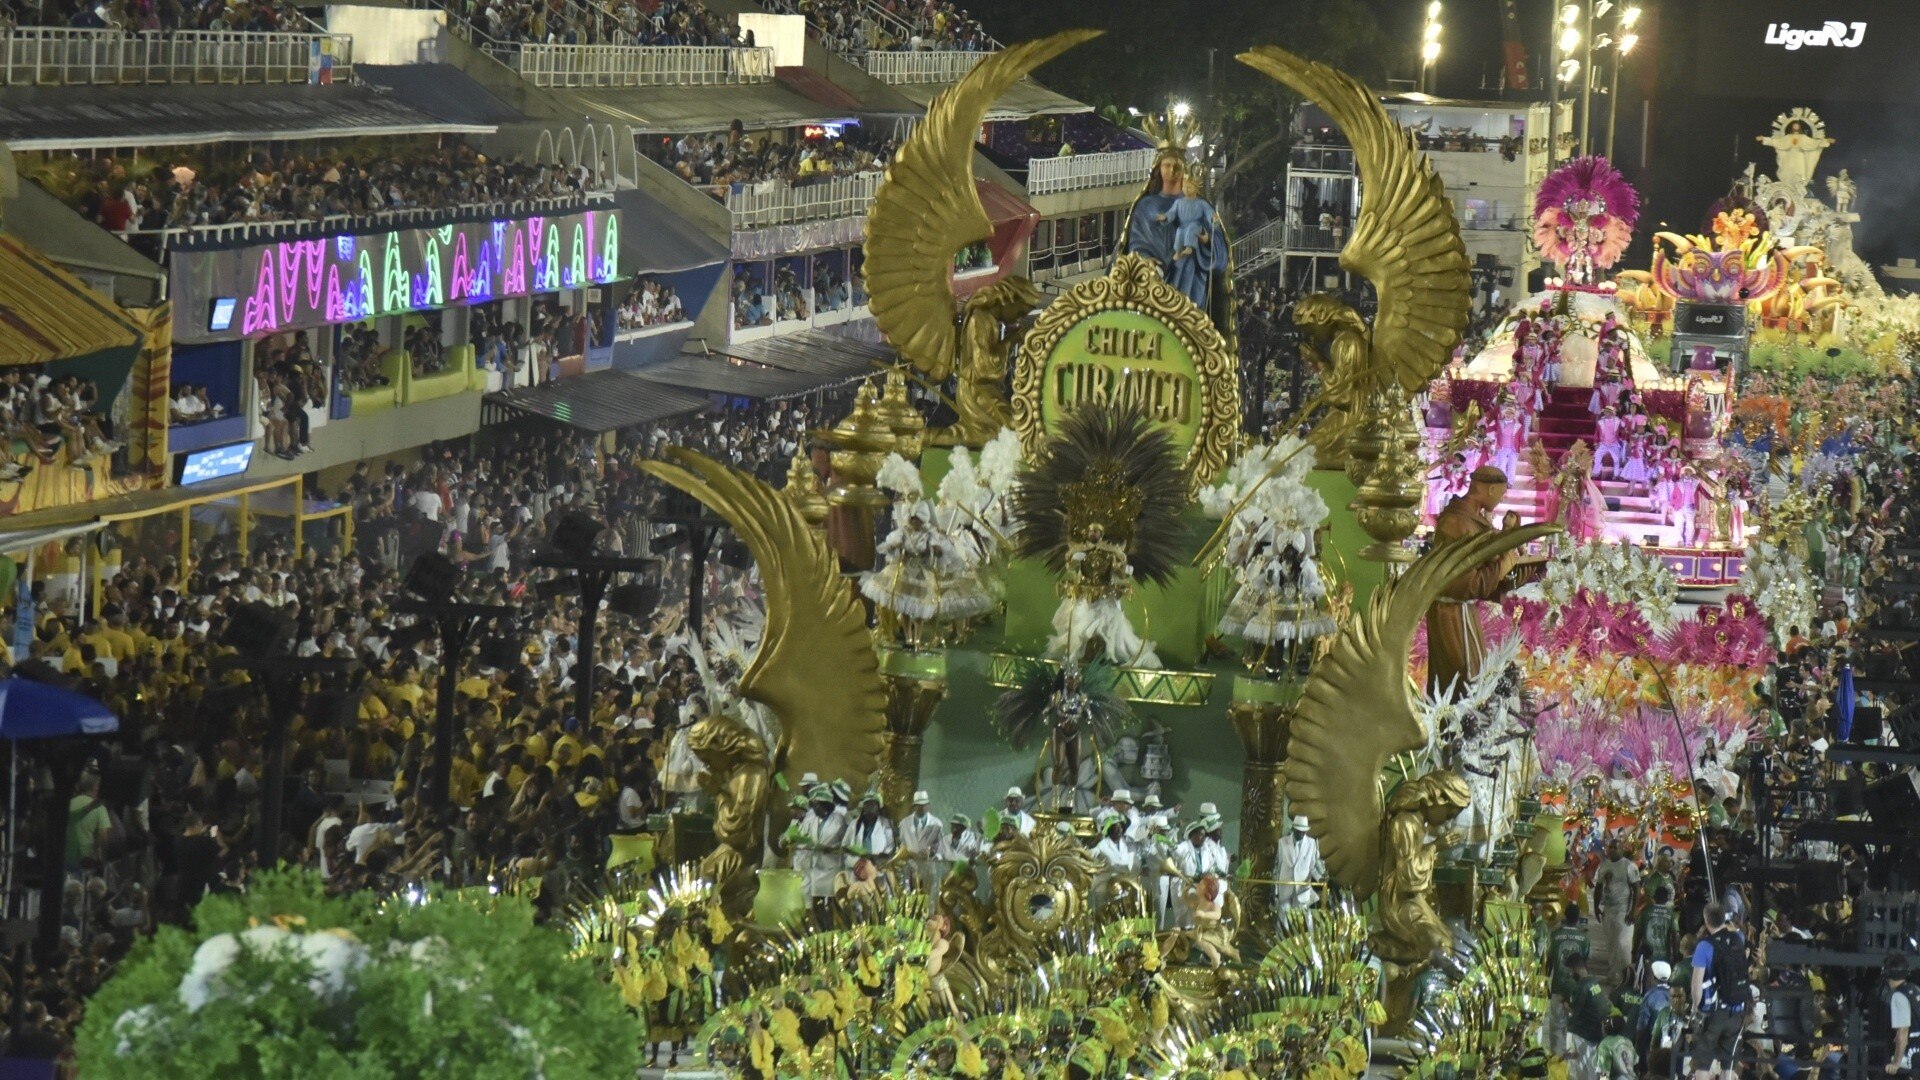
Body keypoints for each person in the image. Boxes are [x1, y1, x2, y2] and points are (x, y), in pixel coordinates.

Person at [1426, 466, 1540, 697]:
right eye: (1501, 492)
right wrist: (1505, 563)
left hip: (1464, 612)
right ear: (1490, 489)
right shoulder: (1457, 523)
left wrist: (1512, 577)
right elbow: (1466, 585)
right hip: (1450, 613)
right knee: (1462, 683)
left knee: (1474, 679)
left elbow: (1482, 581)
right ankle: (1450, 733)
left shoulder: (1473, 521)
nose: (1502, 499)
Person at [1689, 902, 1750, 1080]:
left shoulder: (1705, 946)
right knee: (1727, 1066)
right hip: (1737, 1011)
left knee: (1703, 1063)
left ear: (1706, 920)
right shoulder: (1738, 938)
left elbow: (1696, 984)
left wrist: (1696, 1007)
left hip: (1715, 1014)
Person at [1565, 954, 1610, 1079]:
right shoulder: (1594, 982)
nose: (1570, 974)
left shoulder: (1581, 987)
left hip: (1583, 1033)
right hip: (1596, 1032)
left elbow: (1574, 1010)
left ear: (1577, 968)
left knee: (1579, 1068)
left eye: (1570, 970)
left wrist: (1565, 1004)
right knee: (1591, 1066)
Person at [1273, 814, 1325, 912]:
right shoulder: (1282, 842)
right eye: (1298, 831)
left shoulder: (1311, 843)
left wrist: (1320, 878)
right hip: (1285, 889)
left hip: (1302, 890)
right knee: (1283, 921)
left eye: (1303, 832)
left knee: (1300, 922)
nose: (1300, 834)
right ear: (1293, 829)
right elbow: (1277, 867)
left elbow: (1312, 867)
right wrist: (1275, 889)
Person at [897, 790, 943, 891]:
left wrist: (931, 852)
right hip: (910, 865)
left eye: (924, 805)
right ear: (914, 806)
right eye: (919, 805)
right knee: (911, 898)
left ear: (928, 805)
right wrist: (909, 853)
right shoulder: (904, 823)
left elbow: (939, 845)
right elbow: (902, 844)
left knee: (926, 896)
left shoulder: (937, 823)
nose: (922, 807)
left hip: (928, 866)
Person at [1885, 955, 1918, 1076]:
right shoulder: (1915, 989)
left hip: (1915, 1050)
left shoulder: (1899, 996)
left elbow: (1903, 1031)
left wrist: (1896, 1063)